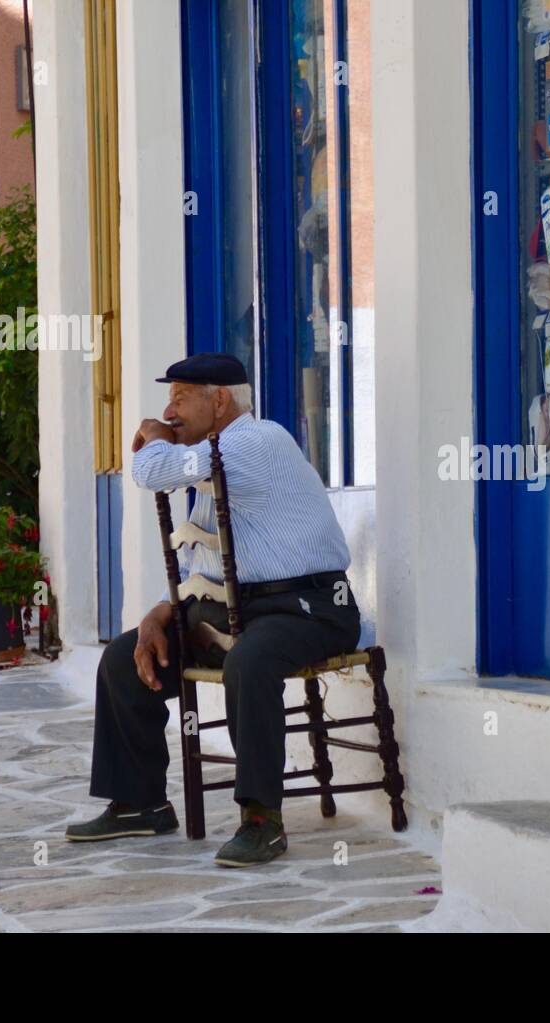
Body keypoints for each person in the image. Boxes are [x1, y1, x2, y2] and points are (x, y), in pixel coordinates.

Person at [64, 353, 360, 867]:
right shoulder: (214, 458)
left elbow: (149, 469)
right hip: (235, 610)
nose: (170, 408)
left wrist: (153, 434)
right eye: (169, 398)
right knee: (123, 657)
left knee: (251, 661)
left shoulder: (254, 440)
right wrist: (162, 610)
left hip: (310, 606)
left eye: (181, 396)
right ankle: (140, 804)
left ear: (219, 399)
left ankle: (262, 820)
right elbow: (206, 558)